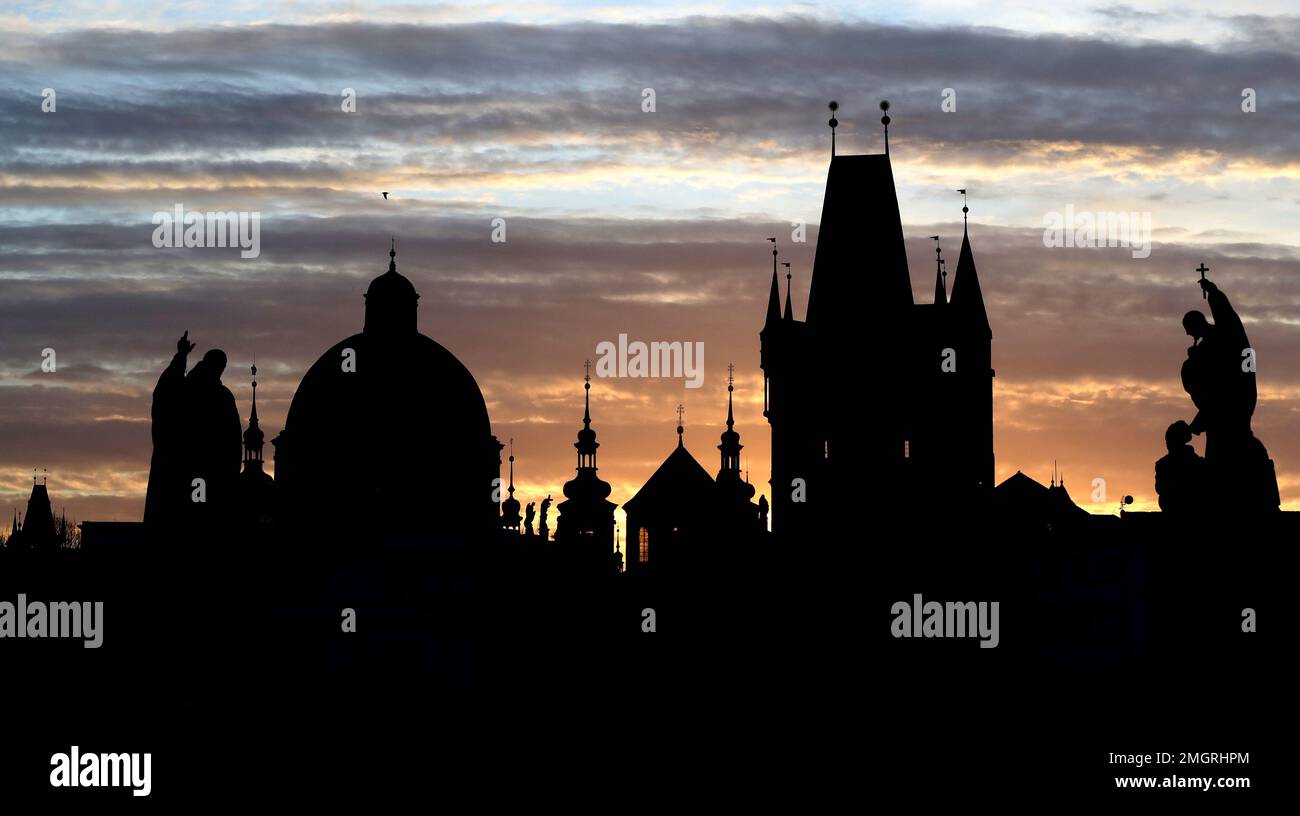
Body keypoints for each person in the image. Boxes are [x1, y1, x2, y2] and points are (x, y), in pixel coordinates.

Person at [1154, 421, 1205, 514]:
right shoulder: (1162, 464)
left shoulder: (1196, 462)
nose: (1167, 443)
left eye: (1170, 440)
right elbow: (1160, 488)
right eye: (1167, 440)